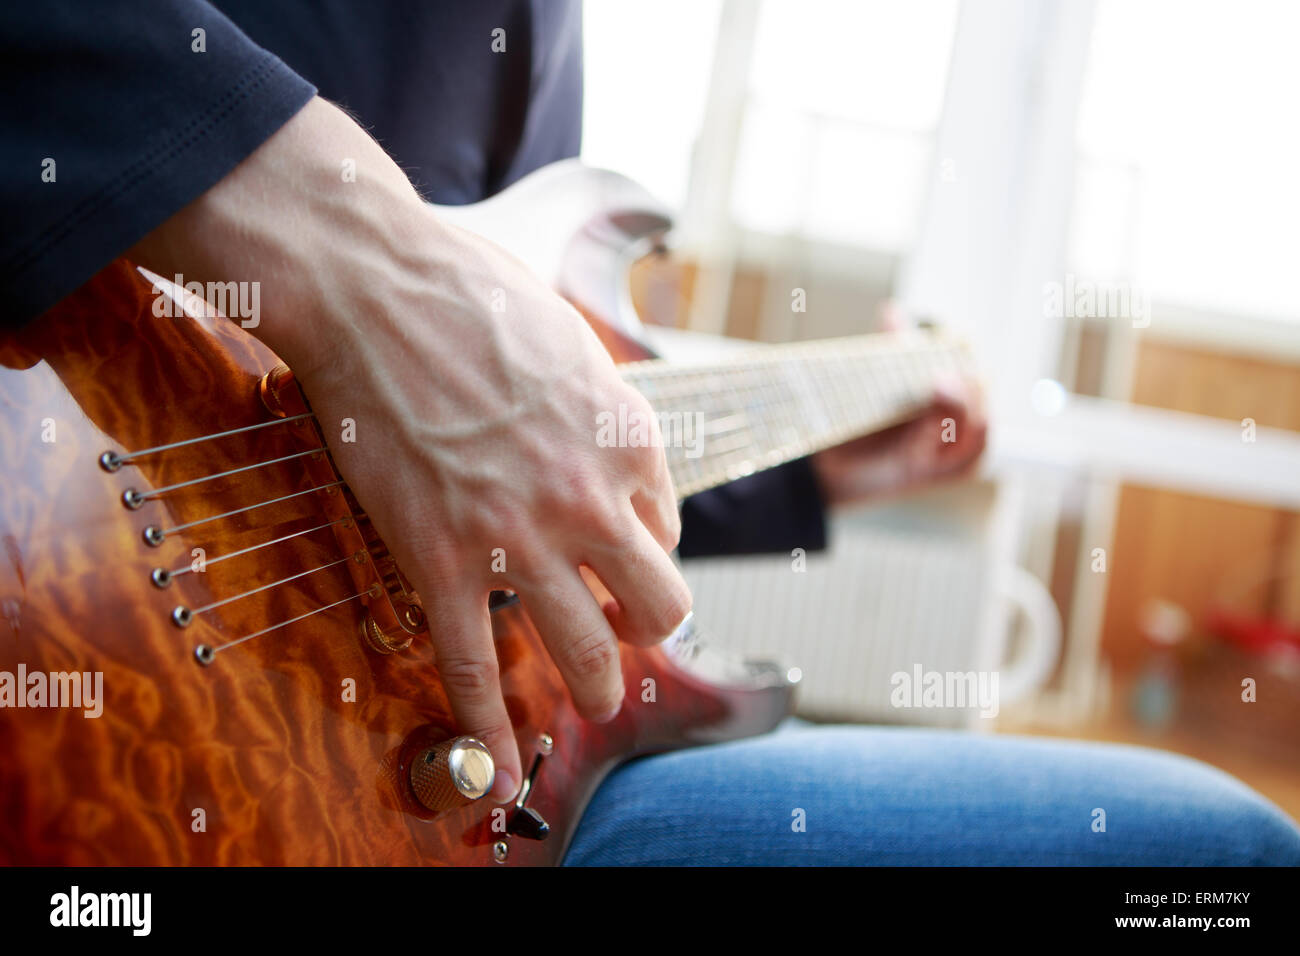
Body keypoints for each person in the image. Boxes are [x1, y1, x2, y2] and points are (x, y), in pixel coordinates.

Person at [3, 1, 1297, 865]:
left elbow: (503, 448)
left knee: (1215, 852)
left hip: (432, 778)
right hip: (87, 674)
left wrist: (817, 472)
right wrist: (351, 255)